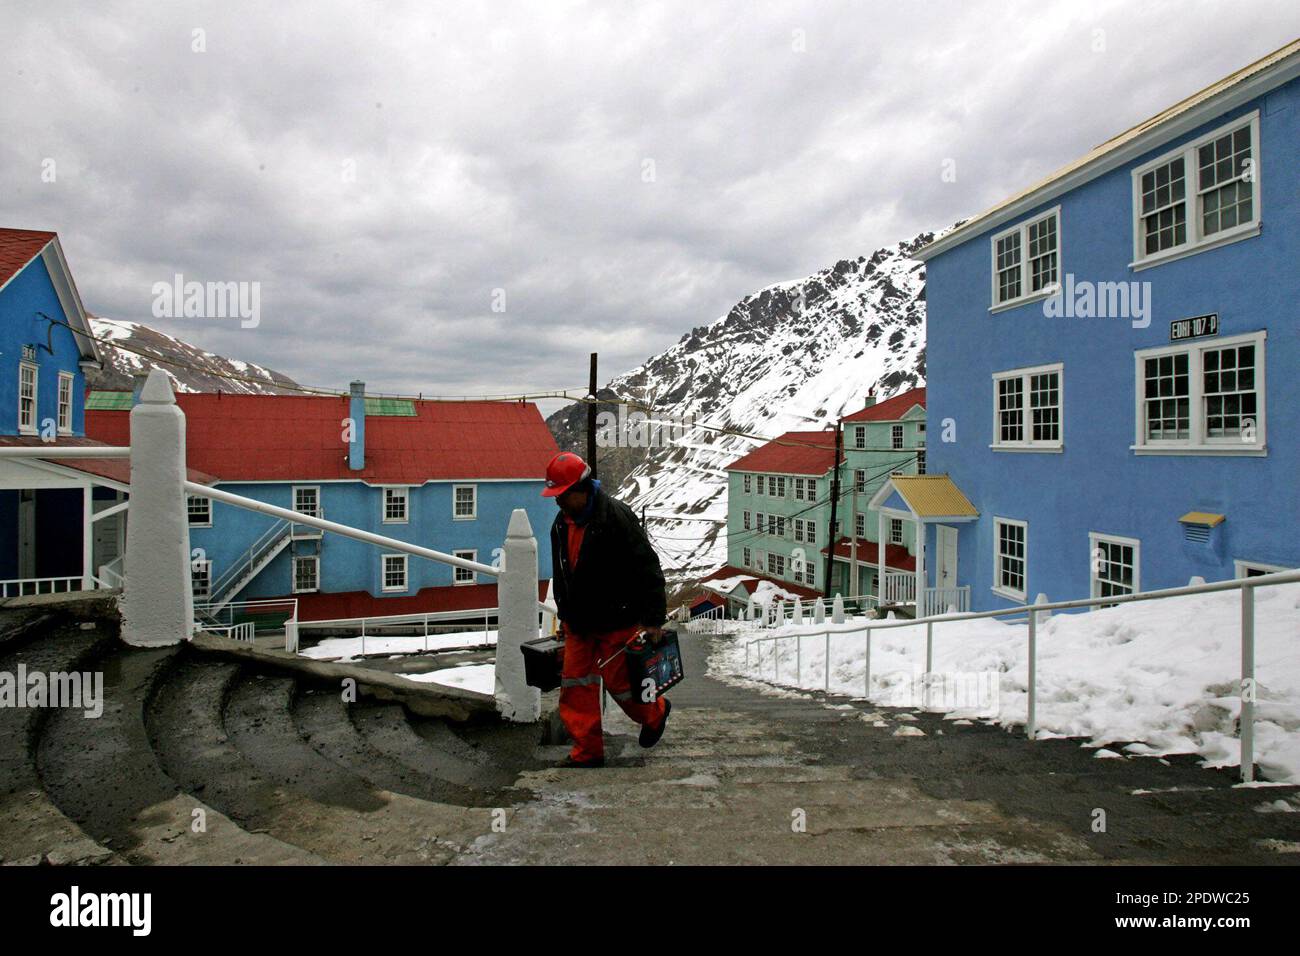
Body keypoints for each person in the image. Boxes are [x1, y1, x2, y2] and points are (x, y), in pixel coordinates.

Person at [542, 451, 671, 768]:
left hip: (616, 620)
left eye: (561, 494)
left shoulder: (616, 517)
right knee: (575, 686)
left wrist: (653, 619)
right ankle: (587, 751)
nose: (557, 501)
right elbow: (563, 575)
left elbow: (648, 567)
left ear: (581, 489)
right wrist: (565, 615)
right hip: (578, 624)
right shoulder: (561, 524)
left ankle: (655, 713)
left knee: (623, 686)